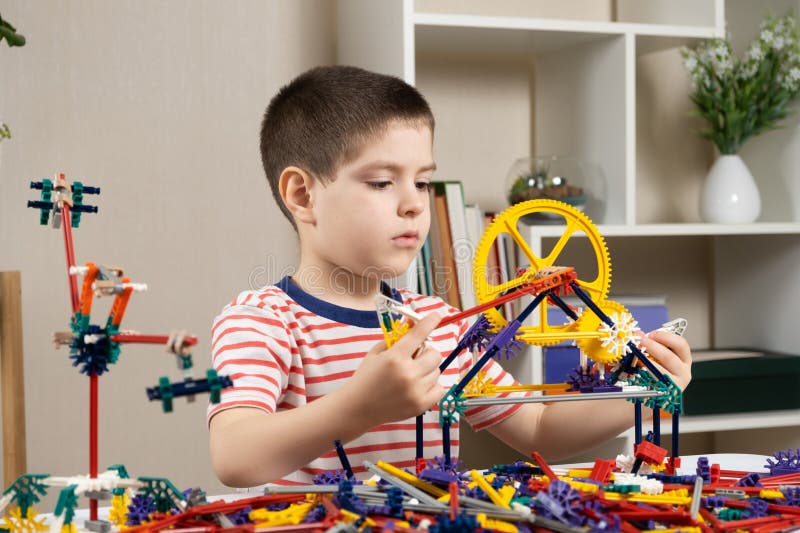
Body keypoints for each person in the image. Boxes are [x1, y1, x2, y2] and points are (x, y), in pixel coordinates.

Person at [207, 65, 692, 488]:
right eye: (381, 182)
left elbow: (539, 429)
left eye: (422, 181)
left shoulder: (436, 322)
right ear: (302, 195)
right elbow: (235, 456)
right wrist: (361, 406)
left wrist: (645, 389)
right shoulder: (262, 321)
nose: (415, 203)